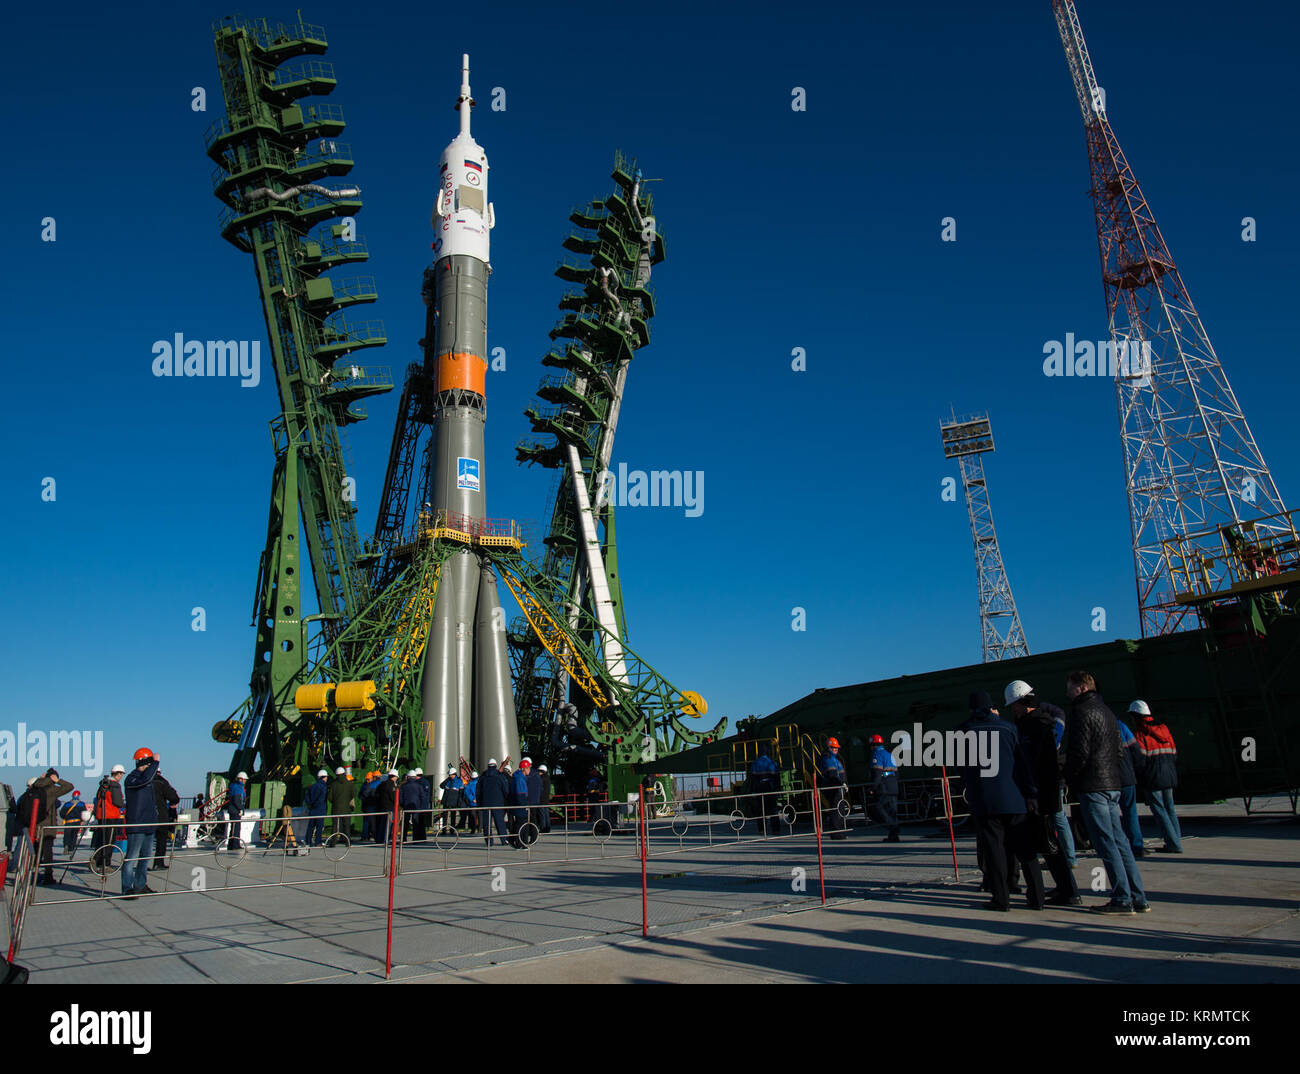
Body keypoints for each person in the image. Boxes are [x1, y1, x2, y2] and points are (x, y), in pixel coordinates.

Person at [1064, 670, 1148, 914]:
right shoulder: (1108, 712)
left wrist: (1070, 776)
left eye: (1069, 687)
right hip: (1113, 784)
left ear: (1080, 688)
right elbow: (1120, 752)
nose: (1067, 692)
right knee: (1120, 841)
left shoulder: (1081, 712)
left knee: (1106, 844)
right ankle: (1138, 896)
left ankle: (1122, 899)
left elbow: (1079, 752)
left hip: (1093, 786)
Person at [959, 692, 1044, 911]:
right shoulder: (1008, 728)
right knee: (1026, 851)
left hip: (985, 800)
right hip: (1014, 797)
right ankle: (1037, 898)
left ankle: (1001, 898)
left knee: (994, 851)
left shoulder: (965, 730)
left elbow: (961, 768)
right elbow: (1022, 764)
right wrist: (1031, 794)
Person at [1004, 680, 1080, 906]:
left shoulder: (1034, 727)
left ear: (1022, 703)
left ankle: (1066, 891)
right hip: (1044, 793)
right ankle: (1067, 889)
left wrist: (1033, 795)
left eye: (1014, 705)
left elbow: (1035, 764)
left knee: (1046, 845)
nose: (1013, 710)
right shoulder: (1039, 724)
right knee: (1049, 845)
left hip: (1038, 795)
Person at [1130, 700, 1183, 853]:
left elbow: (1140, 760)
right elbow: (1174, 753)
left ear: (1136, 716)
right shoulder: (1164, 729)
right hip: (1169, 774)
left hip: (1152, 777)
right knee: (1170, 809)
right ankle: (1175, 840)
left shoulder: (1140, 734)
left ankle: (1173, 844)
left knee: (1160, 811)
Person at [122, 750, 161, 898]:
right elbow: (144, 780)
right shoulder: (132, 779)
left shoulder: (147, 779)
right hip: (137, 824)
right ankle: (127, 888)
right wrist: (156, 763)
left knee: (145, 857)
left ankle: (140, 885)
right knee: (131, 857)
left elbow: (147, 779)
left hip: (149, 823)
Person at [31, 768, 74, 886]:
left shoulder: (36, 787)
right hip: (47, 825)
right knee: (47, 851)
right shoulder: (52, 790)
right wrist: (58, 780)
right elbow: (70, 786)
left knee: (35, 851)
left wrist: (42, 778)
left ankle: (32, 874)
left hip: (35, 825)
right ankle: (48, 875)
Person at [1117, 717, 1145, 857]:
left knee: (1110, 816)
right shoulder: (1121, 724)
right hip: (1128, 776)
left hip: (1109, 779)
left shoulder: (1091, 723)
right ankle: (1137, 846)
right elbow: (1136, 751)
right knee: (1130, 812)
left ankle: (1119, 848)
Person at [91, 765, 127, 870]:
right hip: (111, 815)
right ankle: (105, 864)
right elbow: (118, 802)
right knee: (109, 841)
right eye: (121, 774)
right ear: (118, 774)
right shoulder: (115, 785)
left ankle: (96, 859)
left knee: (101, 839)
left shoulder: (103, 784)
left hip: (102, 815)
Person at [867, 734, 901, 842]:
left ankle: (893, 828)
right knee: (892, 812)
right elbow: (897, 774)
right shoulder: (889, 755)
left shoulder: (876, 755)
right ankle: (893, 836)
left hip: (884, 788)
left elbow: (877, 774)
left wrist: (872, 788)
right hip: (893, 787)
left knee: (878, 809)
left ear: (873, 745)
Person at [150, 759, 180, 869]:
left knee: (144, 842)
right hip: (160, 815)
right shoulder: (161, 782)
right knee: (161, 840)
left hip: (145, 816)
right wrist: (173, 803)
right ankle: (158, 863)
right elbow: (173, 796)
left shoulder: (144, 780)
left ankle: (141, 864)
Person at [477, 759, 513, 847]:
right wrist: (506, 800)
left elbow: (478, 791)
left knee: (487, 823)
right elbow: (505, 790)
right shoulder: (500, 776)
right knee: (500, 822)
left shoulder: (483, 777)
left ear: (488, 766)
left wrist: (479, 803)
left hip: (485, 803)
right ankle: (504, 840)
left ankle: (489, 842)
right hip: (498, 803)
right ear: (495, 766)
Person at [818, 737, 848, 840]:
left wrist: (843, 783)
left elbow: (841, 773)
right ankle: (836, 832)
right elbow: (832, 774)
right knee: (835, 809)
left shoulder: (835, 759)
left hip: (838, 787)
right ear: (828, 748)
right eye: (833, 748)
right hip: (832, 787)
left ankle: (840, 831)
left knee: (840, 809)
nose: (836, 750)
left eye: (837, 748)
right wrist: (841, 783)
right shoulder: (827, 759)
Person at [749, 744, 781, 835]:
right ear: (768, 752)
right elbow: (777, 778)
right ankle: (776, 830)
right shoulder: (773, 763)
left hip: (760, 788)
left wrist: (753, 791)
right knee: (773, 810)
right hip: (770, 788)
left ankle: (761, 830)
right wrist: (777, 790)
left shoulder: (755, 763)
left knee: (760, 810)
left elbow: (753, 779)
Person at [303, 770, 329, 847]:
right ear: (323, 777)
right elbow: (321, 798)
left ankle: (308, 841)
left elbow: (307, 797)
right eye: (326, 777)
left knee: (310, 826)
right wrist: (317, 805)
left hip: (312, 810)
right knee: (319, 827)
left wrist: (310, 805)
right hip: (320, 809)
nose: (327, 779)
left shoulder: (312, 786)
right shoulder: (323, 787)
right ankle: (318, 842)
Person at [328, 767, 355, 838]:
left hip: (336, 808)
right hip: (346, 808)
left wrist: (335, 802)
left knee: (334, 826)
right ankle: (347, 841)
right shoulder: (349, 784)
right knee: (346, 826)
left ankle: (333, 842)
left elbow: (329, 797)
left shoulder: (333, 784)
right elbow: (353, 794)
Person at [401, 770, 427, 841]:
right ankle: (415, 839)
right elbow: (423, 797)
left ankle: (403, 838)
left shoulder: (404, 786)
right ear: (415, 777)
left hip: (406, 806)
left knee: (405, 823)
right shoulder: (419, 786)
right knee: (415, 823)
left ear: (408, 777)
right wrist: (421, 806)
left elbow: (400, 797)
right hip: (416, 806)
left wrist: (402, 804)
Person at [226, 772, 249, 850]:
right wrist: (241, 808)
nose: (245, 781)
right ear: (241, 779)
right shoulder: (237, 787)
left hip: (235, 810)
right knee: (235, 828)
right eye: (244, 779)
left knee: (236, 828)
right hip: (235, 810)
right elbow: (236, 800)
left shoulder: (238, 787)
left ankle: (235, 844)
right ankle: (233, 845)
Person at [375, 770, 399, 844]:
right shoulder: (392, 785)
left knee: (381, 824)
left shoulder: (381, 785)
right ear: (394, 777)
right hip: (390, 807)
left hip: (382, 807)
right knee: (388, 825)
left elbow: (376, 795)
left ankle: (379, 839)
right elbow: (393, 797)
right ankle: (385, 840)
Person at [438, 766, 464, 833]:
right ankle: (444, 829)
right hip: (446, 800)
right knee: (445, 816)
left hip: (454, 801)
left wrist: (459, 801)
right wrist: (447, 779)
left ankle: (452, 829)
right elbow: (441, 786)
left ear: (454, 774)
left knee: (453, 816)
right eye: (449, 775)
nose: (450, 776)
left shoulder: (459, 781)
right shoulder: (448, 781)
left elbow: (461, 792)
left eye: (451, 775)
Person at [512, 760, 533, 840]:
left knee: (520, 824)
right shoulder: (520, 779)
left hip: (520, 803)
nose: (529, 770)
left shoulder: (520, 777)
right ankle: (520, 842)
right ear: (524, 769)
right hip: (521, 805)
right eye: (528, 768)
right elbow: (520, 793)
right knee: (521, 825)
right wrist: (524, 805)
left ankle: (519, 841)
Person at [360, 771, 382, 841]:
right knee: (376, 822)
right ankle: (376, 836)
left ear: (374, 777)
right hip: (378, 805)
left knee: (369, 822)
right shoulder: (382, 783)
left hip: (370, 805)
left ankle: (367, 836)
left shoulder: (370, 785)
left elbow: (364, 795)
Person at [526, 761, 543, 834]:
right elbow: (541, 789)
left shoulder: (527, 776)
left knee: (527, 819)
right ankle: (534, 834)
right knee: (534, 818)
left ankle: (530, 834)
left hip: (528, 801)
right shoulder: (537, 776)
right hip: (535, 801)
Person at [537, 764, 552, 833]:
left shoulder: (541, 778)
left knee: (542, 814)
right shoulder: (547, 778)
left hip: (541, 799)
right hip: (546, 799)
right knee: (546, 814)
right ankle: (547, 827)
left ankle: (543, 827)